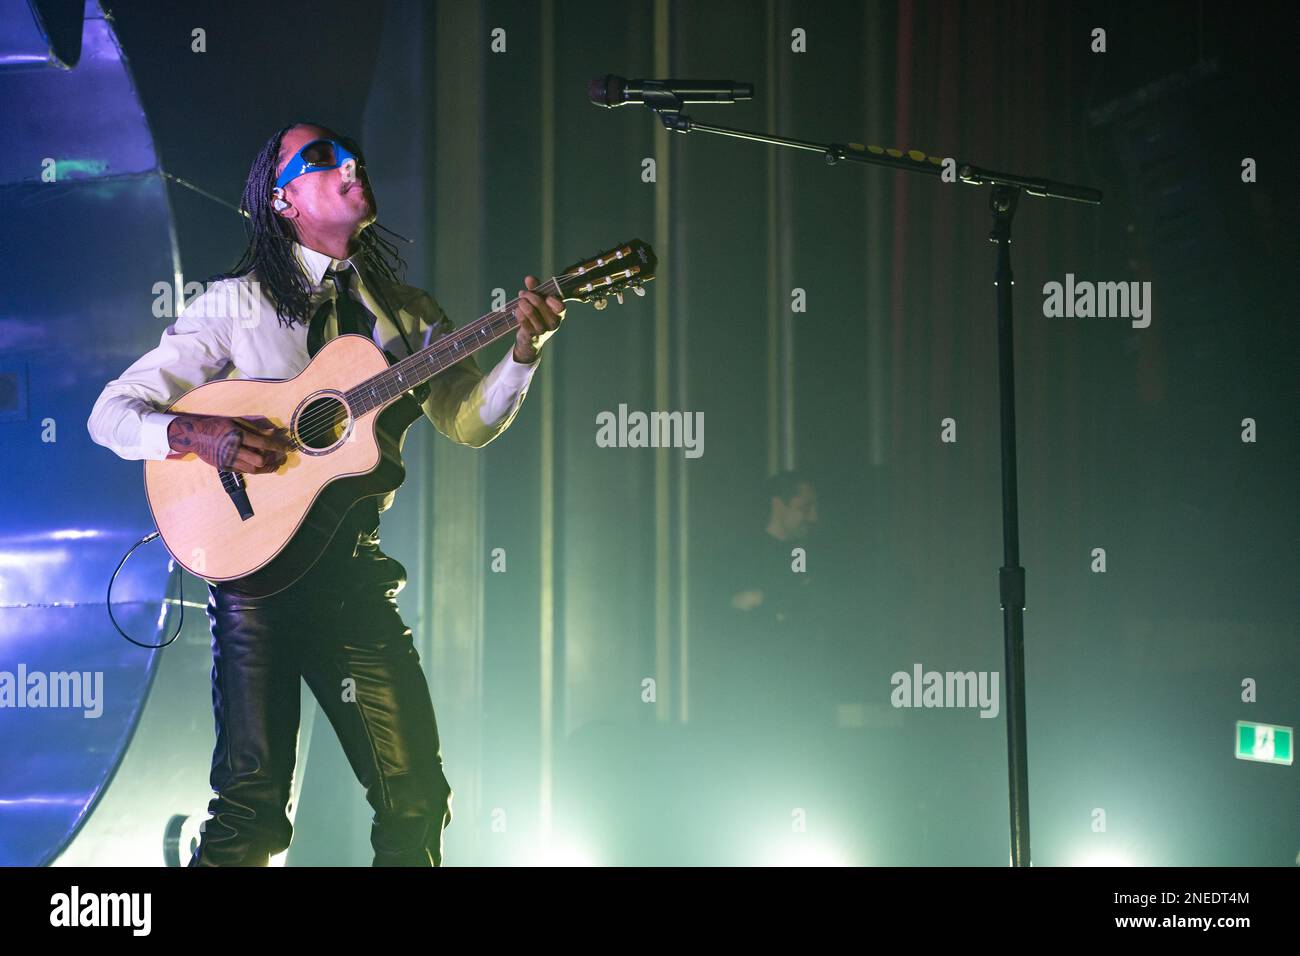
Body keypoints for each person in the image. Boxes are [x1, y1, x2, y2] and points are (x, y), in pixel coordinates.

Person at [87, 122, 565, 866]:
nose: (349, 162)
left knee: (416, 800)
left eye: (351, 153)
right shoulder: (235, 306)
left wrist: (524, 353)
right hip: (258, 582)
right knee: (252, 817)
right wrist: (200, 436)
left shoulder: (408, 314)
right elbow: (111, 414)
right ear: (282, 200)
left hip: (354, 576)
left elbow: (468, 423)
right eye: (320, 158)